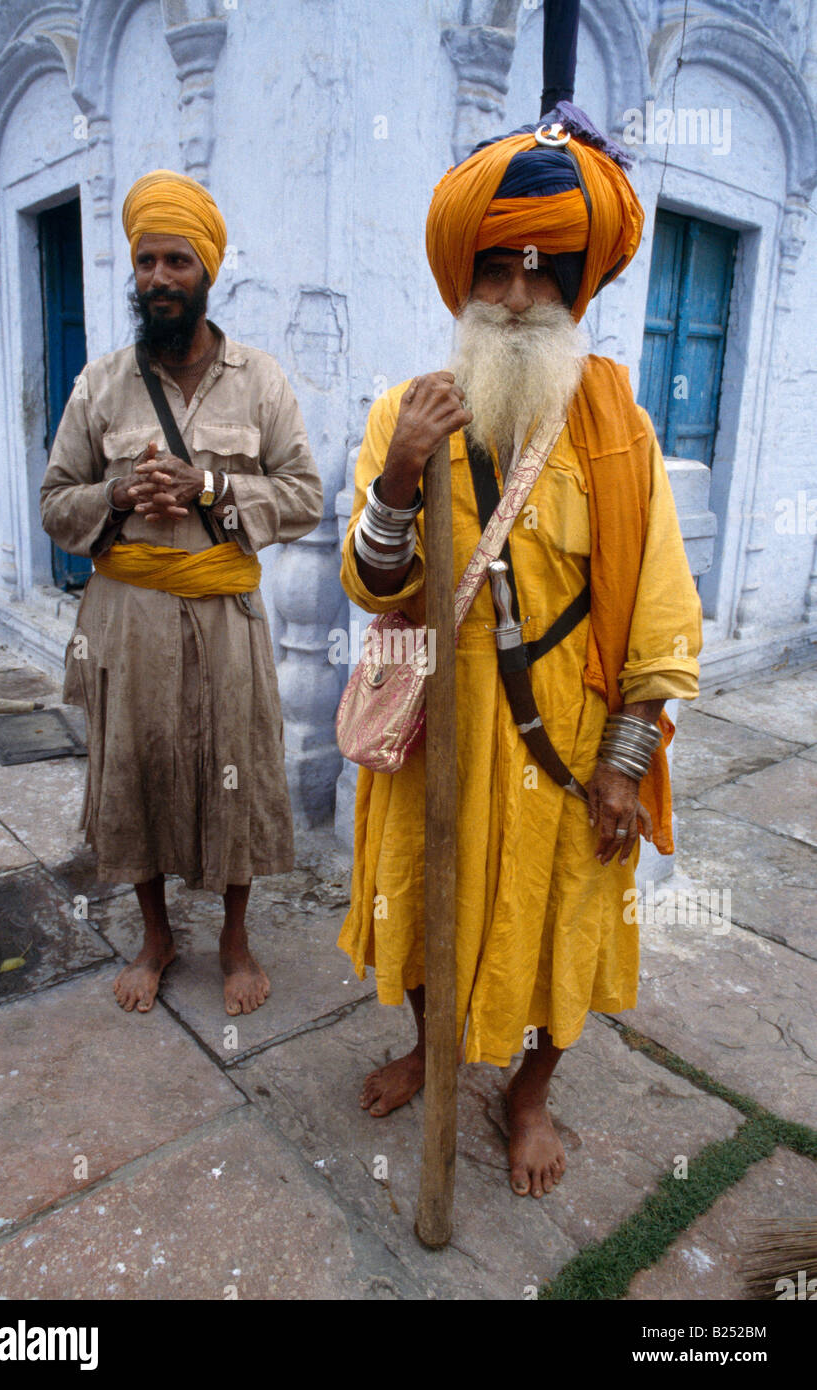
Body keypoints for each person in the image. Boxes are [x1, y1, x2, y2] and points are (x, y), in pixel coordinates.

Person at [337, 112, 702, 1197]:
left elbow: (664, 620)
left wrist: (627, 764)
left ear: (576, 288)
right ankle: (432, 1046)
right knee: (421, 907)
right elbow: (370, 583)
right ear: (465, 280)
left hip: (568, 749)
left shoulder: (620, 430)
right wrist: (401, 476)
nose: (512, 296)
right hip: (433, 740)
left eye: (539, 273)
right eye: (493, 269)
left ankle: (530, 1093)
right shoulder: (407, 410)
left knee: (562, 930)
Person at [41, 169, 323, 1018]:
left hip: (225, 615)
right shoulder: (99, 385)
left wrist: (210, 491)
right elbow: (56, 503)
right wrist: (119, 497)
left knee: (229, 772)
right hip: (125, 619)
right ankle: (157, 937)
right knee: (135, 771)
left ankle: (236, 940)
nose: (159, 278)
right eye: (145, 262)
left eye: (175, 261)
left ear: (207, 270)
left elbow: (305, 496)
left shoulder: (261, 381)